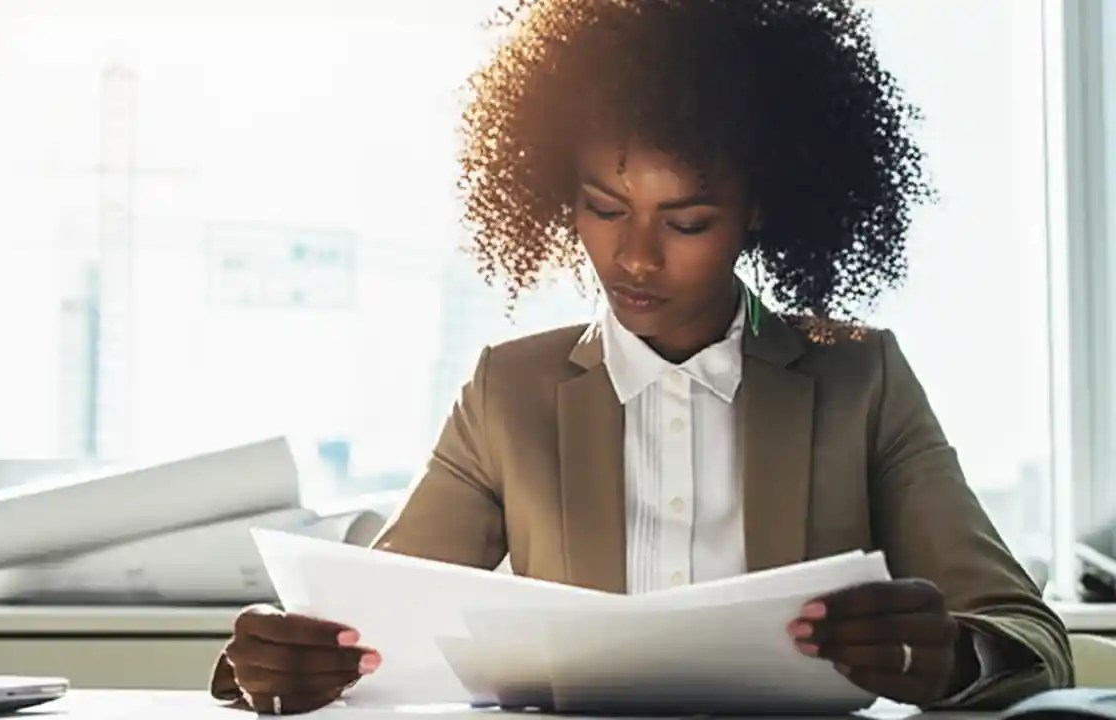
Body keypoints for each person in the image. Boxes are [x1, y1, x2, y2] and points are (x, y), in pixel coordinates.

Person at [210, 0, 1073, 713]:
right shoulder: (508, 392)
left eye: (688, 221)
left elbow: (1028, 635)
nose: (636, 257)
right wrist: (281, 659)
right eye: (604, 207)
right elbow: (366, 624)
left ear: (760, 206)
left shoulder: (862, 379)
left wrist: (955, 657)